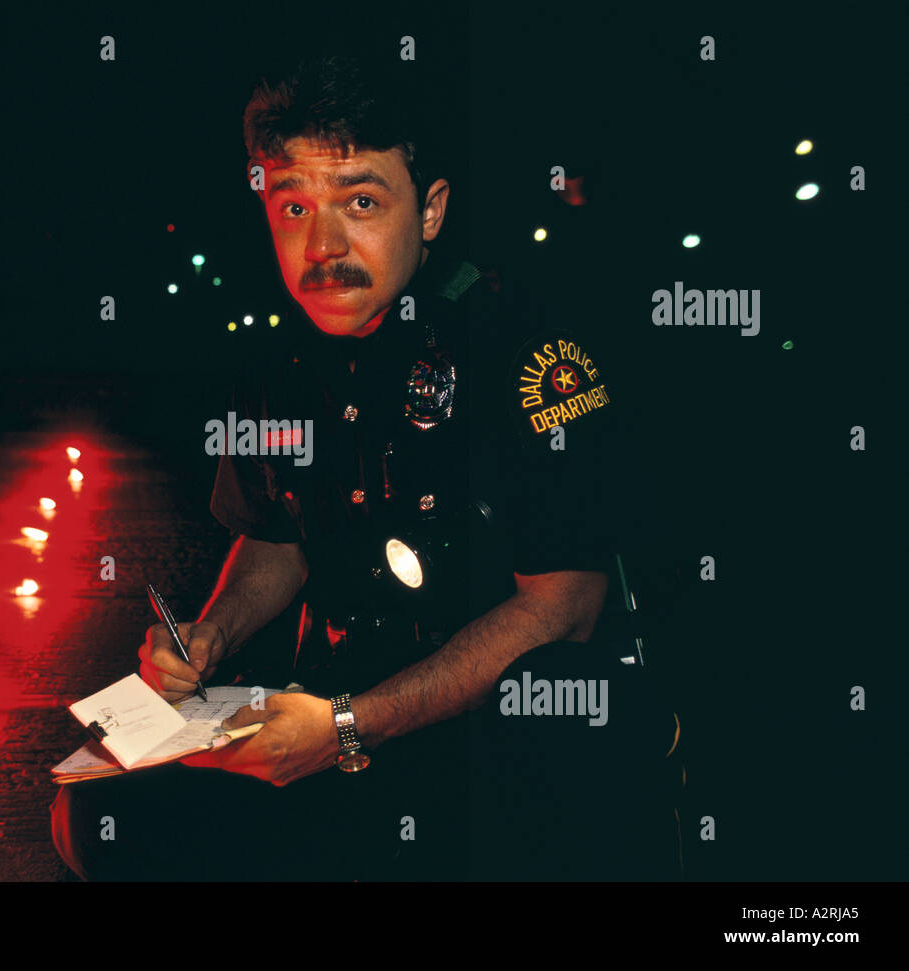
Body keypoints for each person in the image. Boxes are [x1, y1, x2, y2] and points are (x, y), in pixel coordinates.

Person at [51, 54, 682, 881]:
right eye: (294, 205)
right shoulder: (273, 366)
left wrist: (351, 726)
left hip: (492, 723)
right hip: (339, 700)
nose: (323, 244)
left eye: (360, 201)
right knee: (99, 810)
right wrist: (208, 636)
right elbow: (279, 541)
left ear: (430, 211)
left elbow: (564, 607)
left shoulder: (525, 348)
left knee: (556, 719)